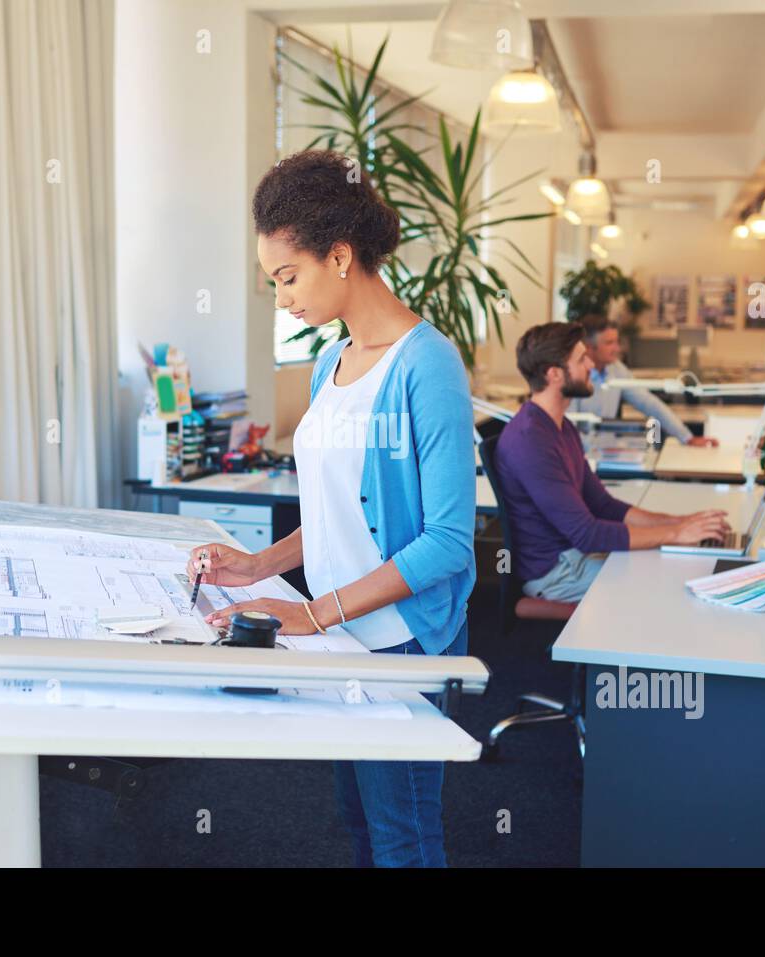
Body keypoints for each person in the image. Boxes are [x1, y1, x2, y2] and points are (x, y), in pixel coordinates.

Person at [184, 150, 476, 866]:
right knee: (360, 819)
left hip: (399, 641)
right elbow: (340, 513)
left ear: (340, 256)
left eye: (288, 277)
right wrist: (259, 564)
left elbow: (447, 542)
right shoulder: (331, 361)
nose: (282, 298)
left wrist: (313, 613)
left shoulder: (426, 364)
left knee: (403, 833)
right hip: (345, 634)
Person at [495, 322, 732, 603]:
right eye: (581, 359)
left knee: (679, 561)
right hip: (557, 572)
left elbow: (605, 506)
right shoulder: (531, 440)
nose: (591, 366)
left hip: (577, 556)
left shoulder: (560, 426)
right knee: (675, 583)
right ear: (554, 374)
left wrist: (681, 522)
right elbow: (587, 534)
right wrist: (676, 533)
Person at [569, 313, 717, 446]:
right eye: (609, 343)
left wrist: (687, 437)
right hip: (583, 456)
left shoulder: (616, 369)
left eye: (616, 342)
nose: (617, 348)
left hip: (607, 453)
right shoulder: (574, 376)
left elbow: (649, 403)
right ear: (589, 347)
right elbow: (569, 431)